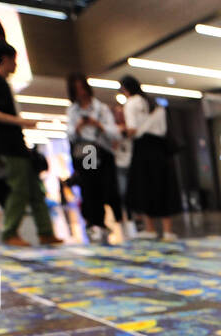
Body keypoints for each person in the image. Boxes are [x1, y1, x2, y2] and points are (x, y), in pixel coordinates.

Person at [0, 42, 61, 246]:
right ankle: (9, 232)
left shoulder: (4, 84)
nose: (15, 64)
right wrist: (19, 121)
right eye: (14, 59)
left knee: (35, 190)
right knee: (19, 189)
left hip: (18, 145)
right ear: (6, 59)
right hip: (10, 146)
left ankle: (45, 231)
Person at [66, 72, 122, 244]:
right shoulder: (72, 111)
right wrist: (79, 126)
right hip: (86, 151)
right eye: (77, 90)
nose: (81, 93)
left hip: (103, 151)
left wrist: (97, 124)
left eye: (83, 89)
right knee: (91, 188)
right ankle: (96, 224)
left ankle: (119, 221)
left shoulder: (101, 109)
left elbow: (114, 133)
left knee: (110, 189)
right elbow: (69, 134)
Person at [120, 75, 175, 240]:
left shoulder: (131, 103)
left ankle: (150, 228)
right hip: (159, 149)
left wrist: (120, 132)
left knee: (144, 187)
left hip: (142, 149)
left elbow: (132, 130)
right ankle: (167, 229)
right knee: (161, 185)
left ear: (125, 89)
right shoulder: (150, 104)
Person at [112, 103, 135, 236]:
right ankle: (124, 218)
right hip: (119, 163)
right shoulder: (113, 129)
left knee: (132, 191)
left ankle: (134, 217)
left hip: (131, 162)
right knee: (123, 192)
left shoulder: (132, 126)